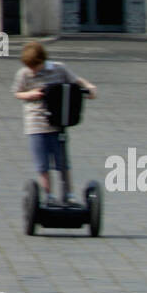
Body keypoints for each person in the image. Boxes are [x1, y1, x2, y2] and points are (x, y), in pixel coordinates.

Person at [12, 41, 97, 206]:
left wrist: (89, 87)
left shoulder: (59, 68)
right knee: (42, 165)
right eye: (30, 67)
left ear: (43, 60)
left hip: (57, 124)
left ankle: (69, 195)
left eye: (36, 66)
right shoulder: (24, 74)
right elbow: (17, 93)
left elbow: (75, 81)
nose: (33, 70)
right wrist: (29, 94)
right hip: (35, 125)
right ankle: (49, 196)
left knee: (63, 163)